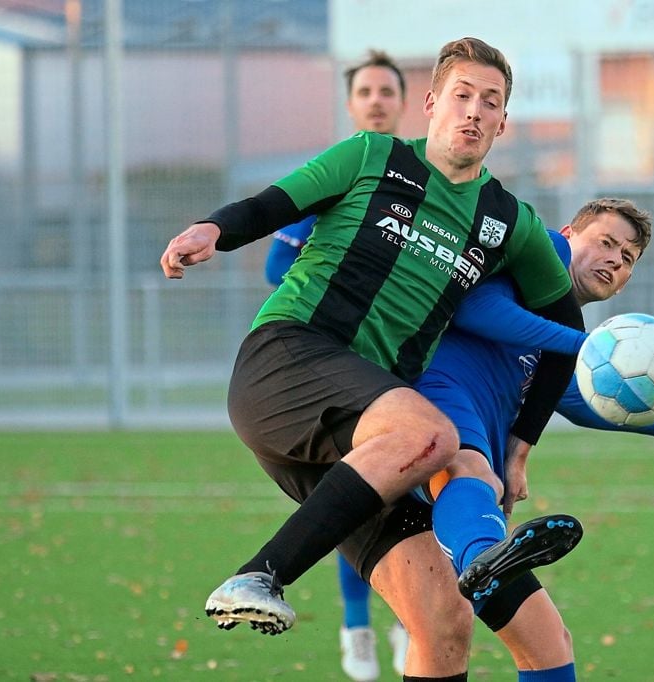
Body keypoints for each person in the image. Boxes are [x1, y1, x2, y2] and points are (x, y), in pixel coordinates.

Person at [160, 37, 585, 680]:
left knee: (444, 618)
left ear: (505, 123)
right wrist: (212, 230)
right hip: (287, 359)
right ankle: (258, 576)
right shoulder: (371, 155)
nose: (474, 112)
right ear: (432, 103)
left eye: (490, 103)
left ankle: (280, 578)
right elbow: (274, 205)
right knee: (432, 434)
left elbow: (564, 328)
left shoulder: (509, 221)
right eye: (462, 96)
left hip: (364, 436)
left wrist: (522, 445)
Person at [410, 197, 654, 679]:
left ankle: (482, 555)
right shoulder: (540, 252)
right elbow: (474, 308)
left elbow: (585, 402)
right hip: (432, 404)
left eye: (627, 258)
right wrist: (589, 347)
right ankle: (486, 555)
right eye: (606, 242)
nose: (615, 259)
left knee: (479, 636)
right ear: (568, 233)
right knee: (475, 471)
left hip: (456, 487)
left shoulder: (566, 337)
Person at [264, 48, 410, 682]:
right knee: (349, 497)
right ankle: (358, 631)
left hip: (404, 366)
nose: (377, 100)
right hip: (335, 367)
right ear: (351, 104)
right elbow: (276, 269)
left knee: (409, 492)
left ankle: (410, 619)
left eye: (387, 90)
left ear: (406, 103)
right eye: (366, 91)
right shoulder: (335, 173)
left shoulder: (426, 181)